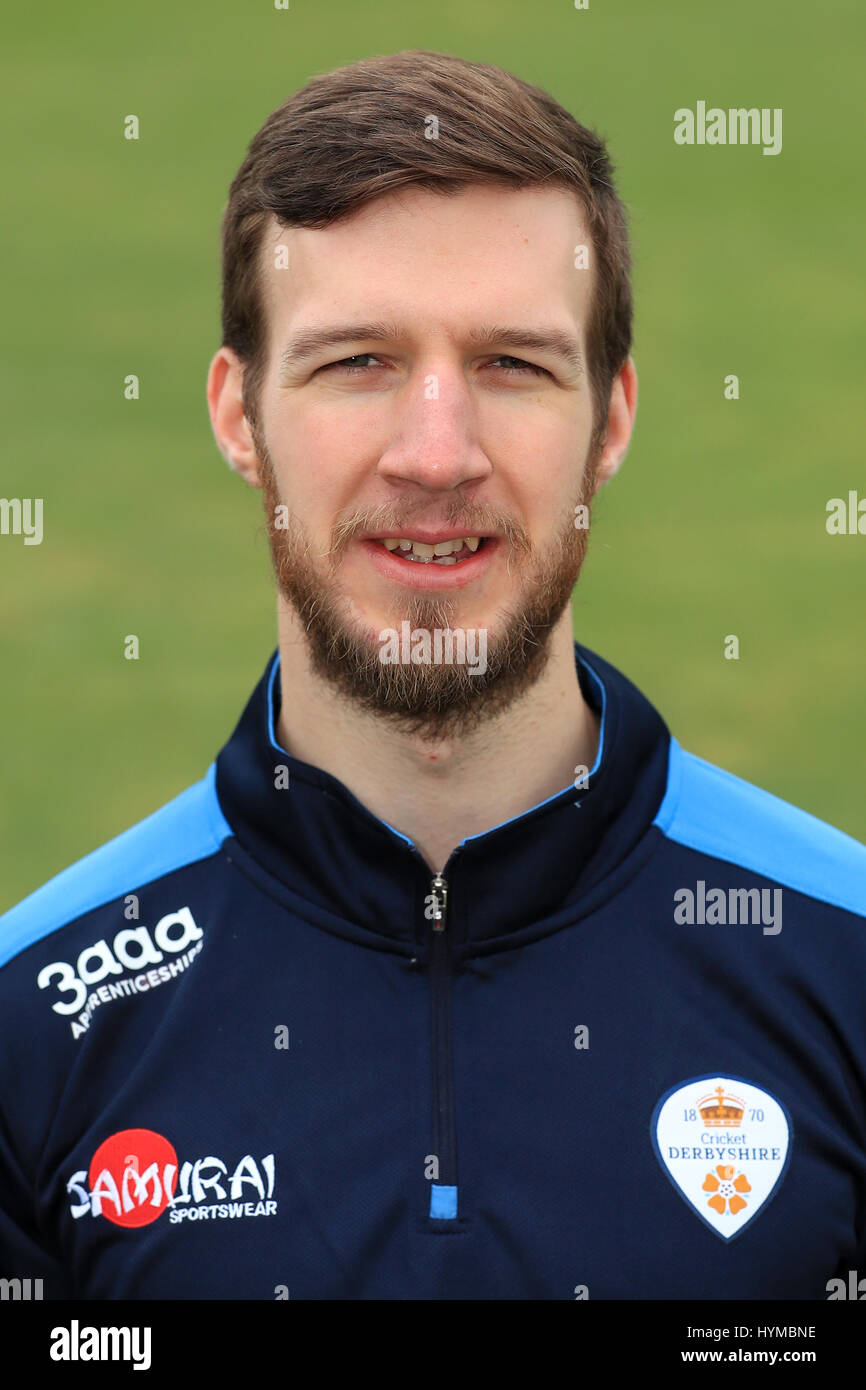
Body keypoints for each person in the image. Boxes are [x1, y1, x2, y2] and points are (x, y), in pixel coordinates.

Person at [1, 50, 864, 1302]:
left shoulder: (839, 963)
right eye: (356, 361)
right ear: (238, 415)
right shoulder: (36, 1019)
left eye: (513, 364)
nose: (436, 451)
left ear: (610, 418)